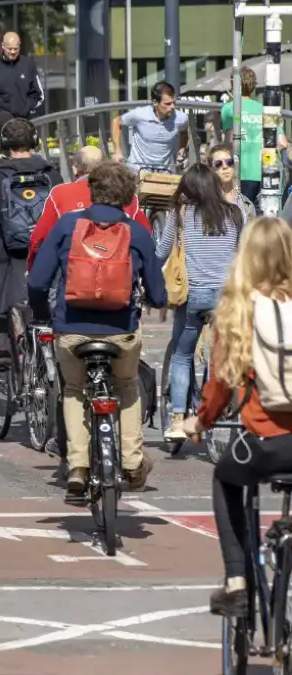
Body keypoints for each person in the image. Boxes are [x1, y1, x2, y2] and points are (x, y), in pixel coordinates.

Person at [27, 161, 166, 503]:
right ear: (128, 195)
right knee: (127, 386)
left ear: (91, 190)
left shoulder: (66, 226)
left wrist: (47, 315)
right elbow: (160, 294)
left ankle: (77, 466)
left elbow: (37, 281)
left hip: (72, 330)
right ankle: (132, 461)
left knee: (74, 389)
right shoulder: (137, 232)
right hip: (121, 332)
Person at [187, 216, 292, 616]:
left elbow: (219, 387)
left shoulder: (239, 311)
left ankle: (237, 581)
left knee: (225, 479)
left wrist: (199, 422)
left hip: (263, 442)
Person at [156, 163, 243, 441]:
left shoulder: (180, 213)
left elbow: (160, 252)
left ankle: (179, 418)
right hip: (227, 296)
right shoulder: (235, 213)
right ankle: (221, 406)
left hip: (194, 295)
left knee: (182, 354)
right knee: (225, 352)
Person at [0, 118, 62, 358]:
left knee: (6, 309)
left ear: (4, 145)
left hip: (10, 259)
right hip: (45, 256)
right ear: (34, 141)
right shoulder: (52, 175)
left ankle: (5, 349)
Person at [28, 145, 150, 270]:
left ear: (75, 169)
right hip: (118, 272)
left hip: (73, 273)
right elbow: (146, 236)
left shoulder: (60, 193)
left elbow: (39, 238)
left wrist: (32, 268)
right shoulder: (126, 195)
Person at [223, 67, 287, 205]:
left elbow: (229, 142)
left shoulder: (229, 109)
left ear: (233, 84)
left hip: (242, 173)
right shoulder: (264, 109)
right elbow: (283, 143)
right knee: (265, 220)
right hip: (268, 171)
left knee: (241, 217)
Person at [111, 81, 189, 172]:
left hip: (164, 172)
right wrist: (117, 150)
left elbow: (184, 132)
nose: (172, 107)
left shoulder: (181, 118)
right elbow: (116, 122)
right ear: (155, 102)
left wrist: (182, 149)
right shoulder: (140, 114)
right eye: (167, 104)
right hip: (137, 170)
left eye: (174, 102)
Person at [0, 32, 44, 132]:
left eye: (16, 49)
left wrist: (25, 107)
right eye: (10, 49)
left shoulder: (28, 65)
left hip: (22, 123)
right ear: (3, 46)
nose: (13, 52)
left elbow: (39, 95)